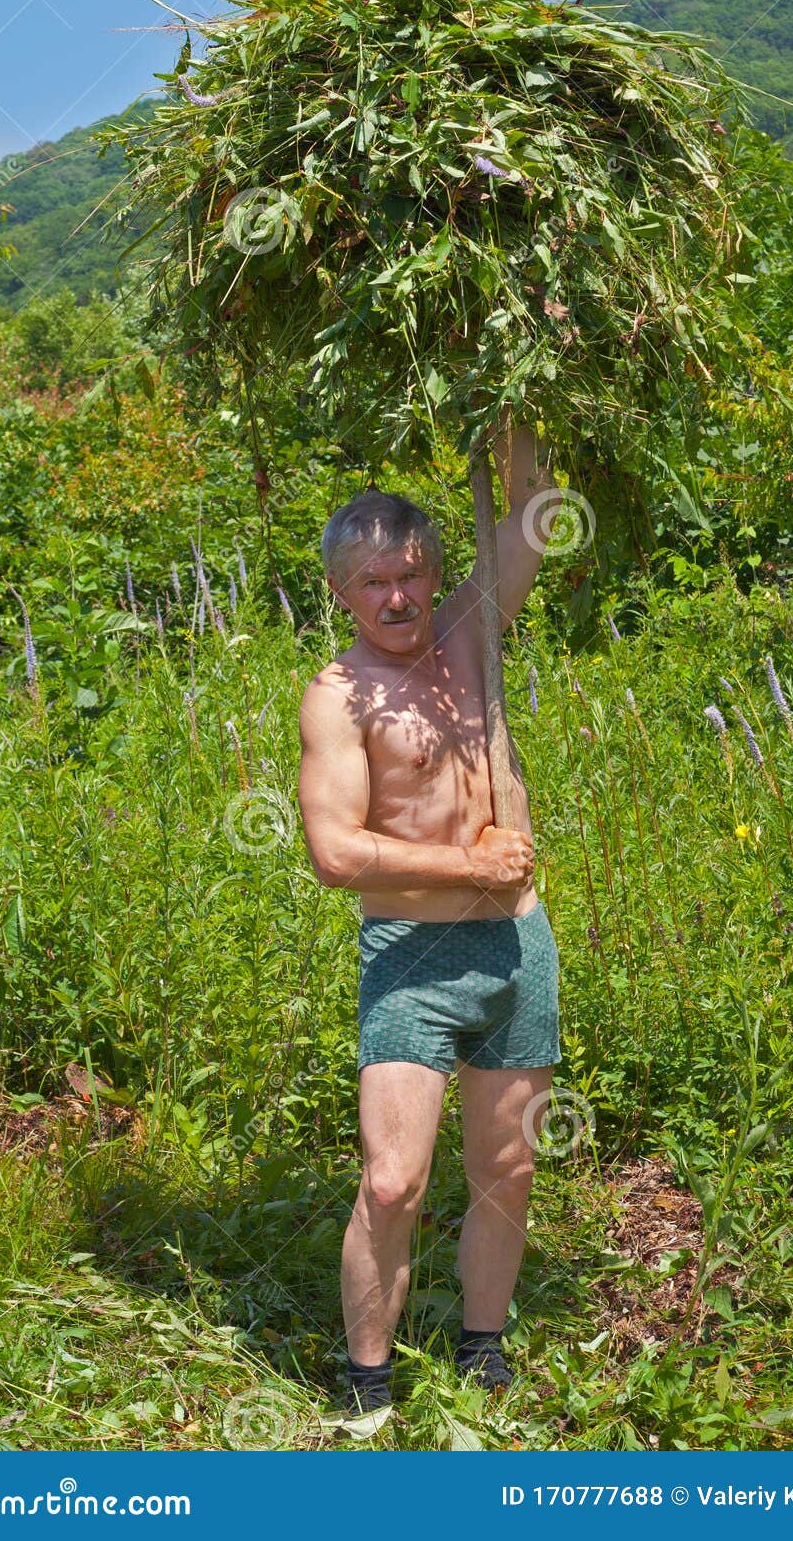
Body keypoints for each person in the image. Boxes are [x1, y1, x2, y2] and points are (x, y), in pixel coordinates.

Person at [297, 421, 564, 1416]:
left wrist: (513, 407)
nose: (397, 597)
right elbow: (335, 852)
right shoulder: (337, 696)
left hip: (516, 943)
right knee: (395, 1177)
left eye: (410, 573)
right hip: (410, 951)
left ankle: (482, 1351)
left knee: (506, 1163)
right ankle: (369, 1390)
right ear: (340, 591)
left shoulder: (472, 632)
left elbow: (533, 513)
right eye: (373, 582)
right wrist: (467, 860)